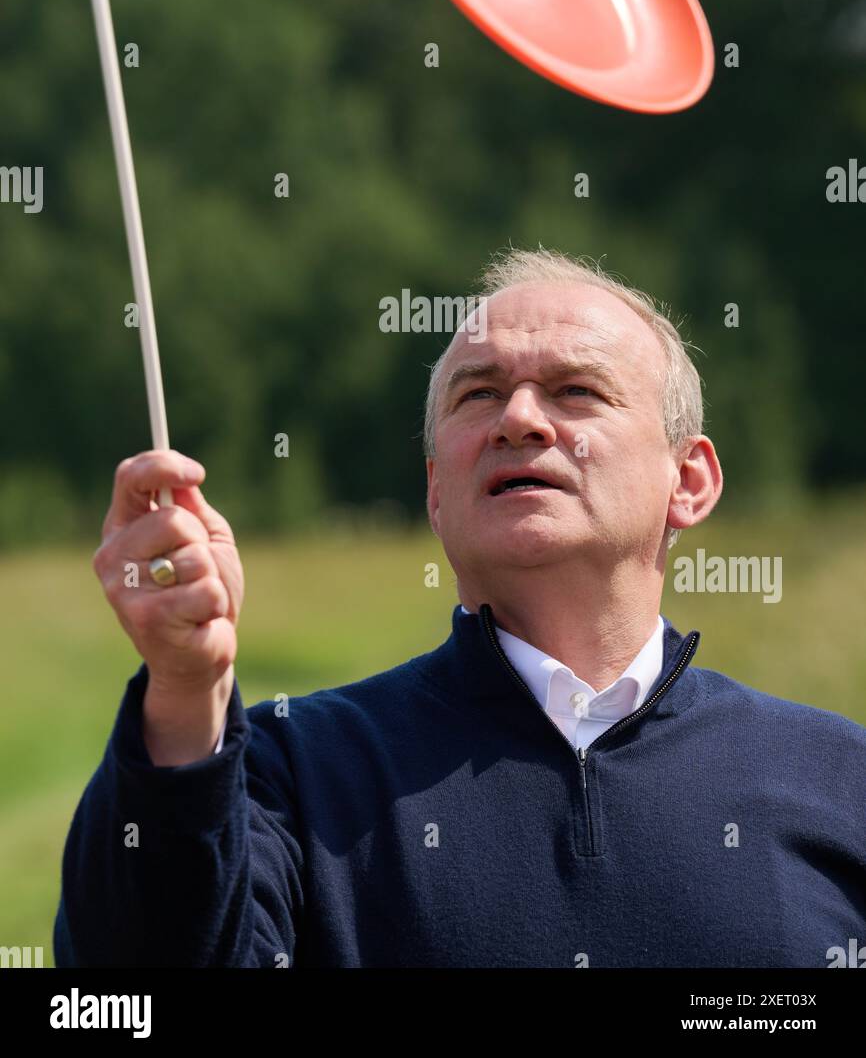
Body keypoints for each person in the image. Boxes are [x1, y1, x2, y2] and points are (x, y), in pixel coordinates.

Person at [54, 247, 866, 967]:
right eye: (479, 395)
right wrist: (187, 688)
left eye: (575, 390)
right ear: (438, 492)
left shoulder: (840, 780)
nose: (518, 419)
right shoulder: (289, 772)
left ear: (688, 481)